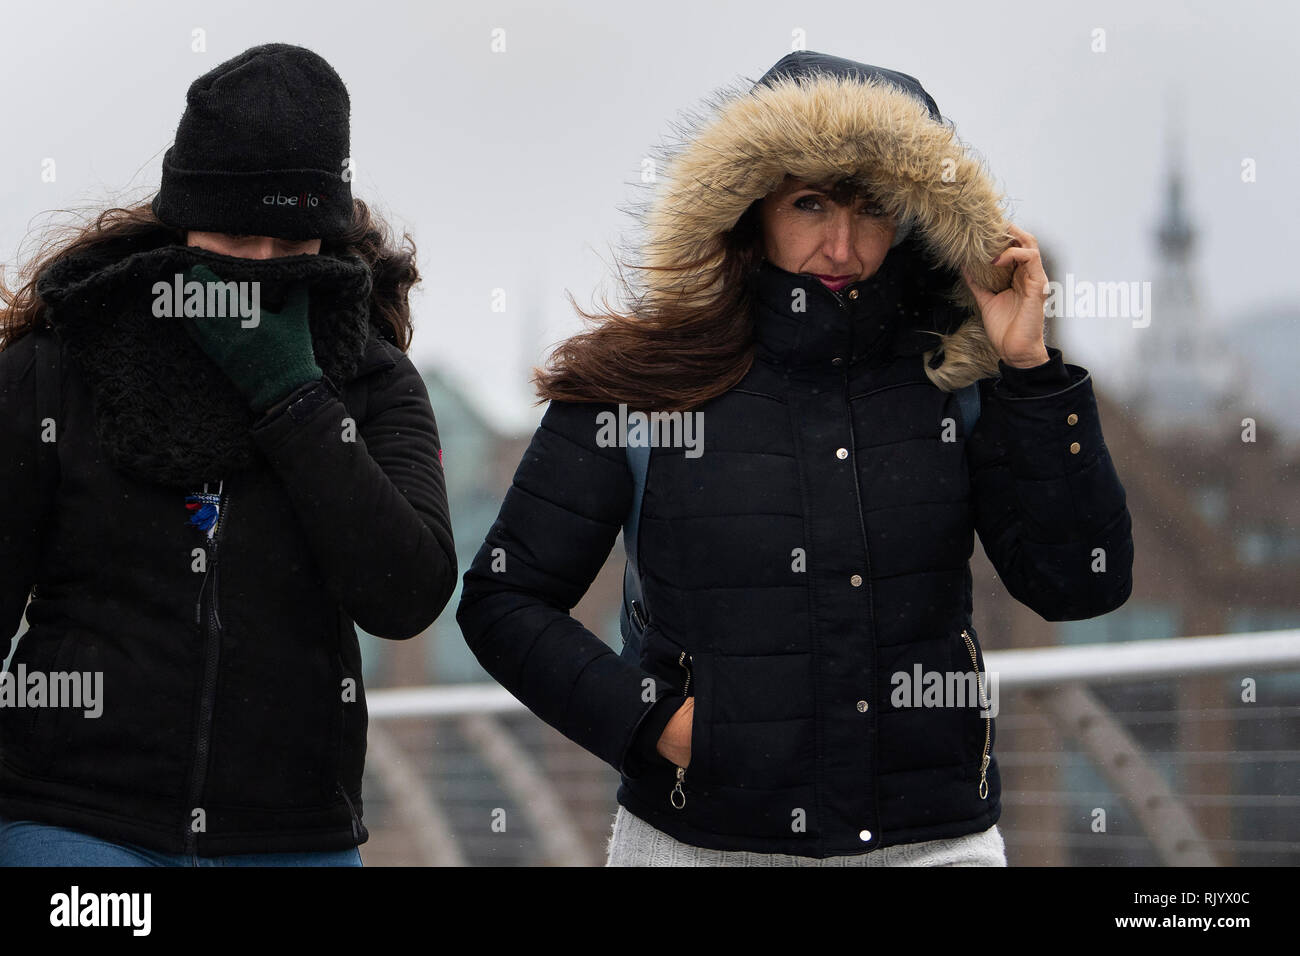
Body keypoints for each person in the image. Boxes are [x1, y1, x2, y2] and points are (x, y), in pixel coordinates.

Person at [457, 51, 1134, 866]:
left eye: (872, 206)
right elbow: (503, 599)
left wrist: (1030, 369)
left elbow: (1081, 583)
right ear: (753, 207)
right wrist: (655, 725)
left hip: (933, 844)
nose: (840, 244)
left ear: (915, 217)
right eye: (809, 203)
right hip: (701, 844)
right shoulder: (644, 382)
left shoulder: (958, 379)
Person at [0, 43, 457, 865]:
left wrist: (294, 397)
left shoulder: (372, 381)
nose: (261, 269)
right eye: (239, 237)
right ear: (184, 218)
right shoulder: (57, 365)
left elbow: (407, 592)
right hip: (74, 819)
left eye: (293, 245)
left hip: (294, 836)